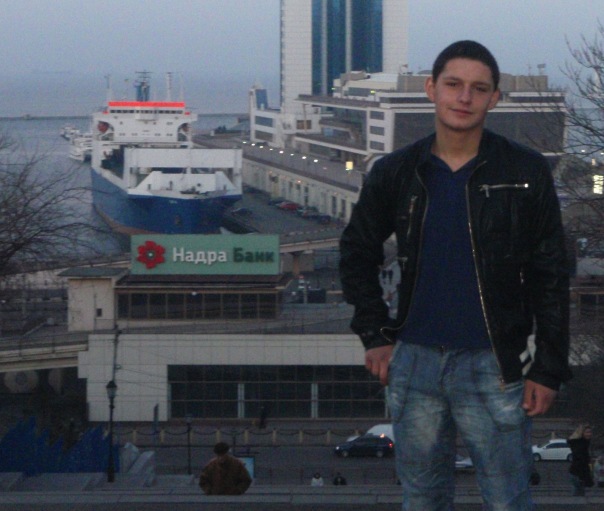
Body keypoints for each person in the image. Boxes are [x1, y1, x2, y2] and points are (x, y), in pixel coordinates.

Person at [339, 40, 571, 511]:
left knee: (507, 500)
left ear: (494, 99)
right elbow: (357, 250)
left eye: (479, 88)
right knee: (423, 498)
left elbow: (550, 275)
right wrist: (374, 333)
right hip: (415, 363)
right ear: (432, 89)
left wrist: (548, 368)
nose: (465, 97)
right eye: (454, 84)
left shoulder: (525, 171)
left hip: (495, 365)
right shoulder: (397, 171)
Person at [567, 424, 594, 495]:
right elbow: (581, 460)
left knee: (577, 494)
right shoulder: (581, 445)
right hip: (578, 473)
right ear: (582, 433)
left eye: (590, 432)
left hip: (576, 472)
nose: (589, 434)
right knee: (579, 494)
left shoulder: (580, 443)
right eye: (587, 432)